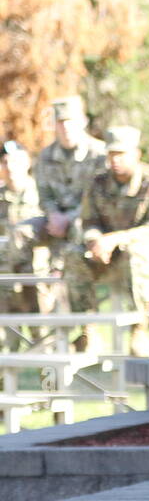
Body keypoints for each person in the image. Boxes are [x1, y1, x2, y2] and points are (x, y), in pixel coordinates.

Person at [78, 127, 149, 357]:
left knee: (137, 254)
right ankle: (88, 329)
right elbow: (89, 221)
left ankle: (139, 329)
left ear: (137, 154)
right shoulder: (98, 183)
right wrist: (95, 240)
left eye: (121, 154)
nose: (115, 160)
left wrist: (114, 239)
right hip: (110, 251)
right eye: (111, 154)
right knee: (72, 255)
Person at [11, 96, 104, 347]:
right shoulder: (46, 156)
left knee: (77, 232)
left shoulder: (98, 154)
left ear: (83, 122)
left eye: (70, 122)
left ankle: (87, 324)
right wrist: (53, 215)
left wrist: (69, 218)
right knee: (20, 232)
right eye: (60, 122)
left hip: (86, 221)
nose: (65, 128)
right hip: (54, 220)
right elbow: (44, 195)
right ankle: (28, 301)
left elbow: (97, 199)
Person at [1, 143, 44, 350]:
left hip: (38, 278)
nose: (10, 167)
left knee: (44, 342)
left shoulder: (44, 195)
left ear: (27, 162)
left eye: (16, 161)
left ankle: (50, 383)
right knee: (6, 344)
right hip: (5, 283)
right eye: (6, 162)